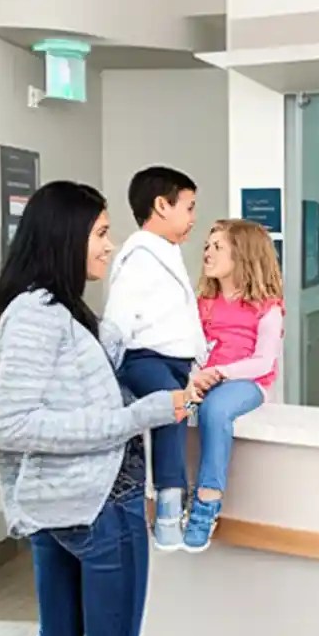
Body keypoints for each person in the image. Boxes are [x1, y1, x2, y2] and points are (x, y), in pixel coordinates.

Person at [0, 181, 190, 636]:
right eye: (100, 233)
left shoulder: (58, 310)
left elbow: (78, 381)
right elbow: (13, 425)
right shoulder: (37, 314)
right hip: (98, 504)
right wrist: (141, 415)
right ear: (66, 235)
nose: (109, 245)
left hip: (65, 504)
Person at [103, 166, 209, 551]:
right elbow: (118, 317)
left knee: (181, 406)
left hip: (176, 361)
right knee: (171, 406)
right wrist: (104, 370)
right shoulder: (139, 255)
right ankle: (167, 507)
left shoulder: (168, 251)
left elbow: (184, 313)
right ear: (162, 206)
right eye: (189, 207)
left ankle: (171, 501)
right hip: (144, 358)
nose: (194, 217)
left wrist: (199, 358)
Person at [183, 219, 285, 552]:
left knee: (215, 410)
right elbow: (190, 348)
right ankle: (171, 490)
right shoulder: (202, 303)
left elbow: (263, 361)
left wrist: (221, 373)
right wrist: (195, 375)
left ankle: (207, 501)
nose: (208, 253)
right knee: (170, 406)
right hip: (205, 377)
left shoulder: (267, 308)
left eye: (218, 247)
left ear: (242, 254)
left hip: (246, 383)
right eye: (207, 246)